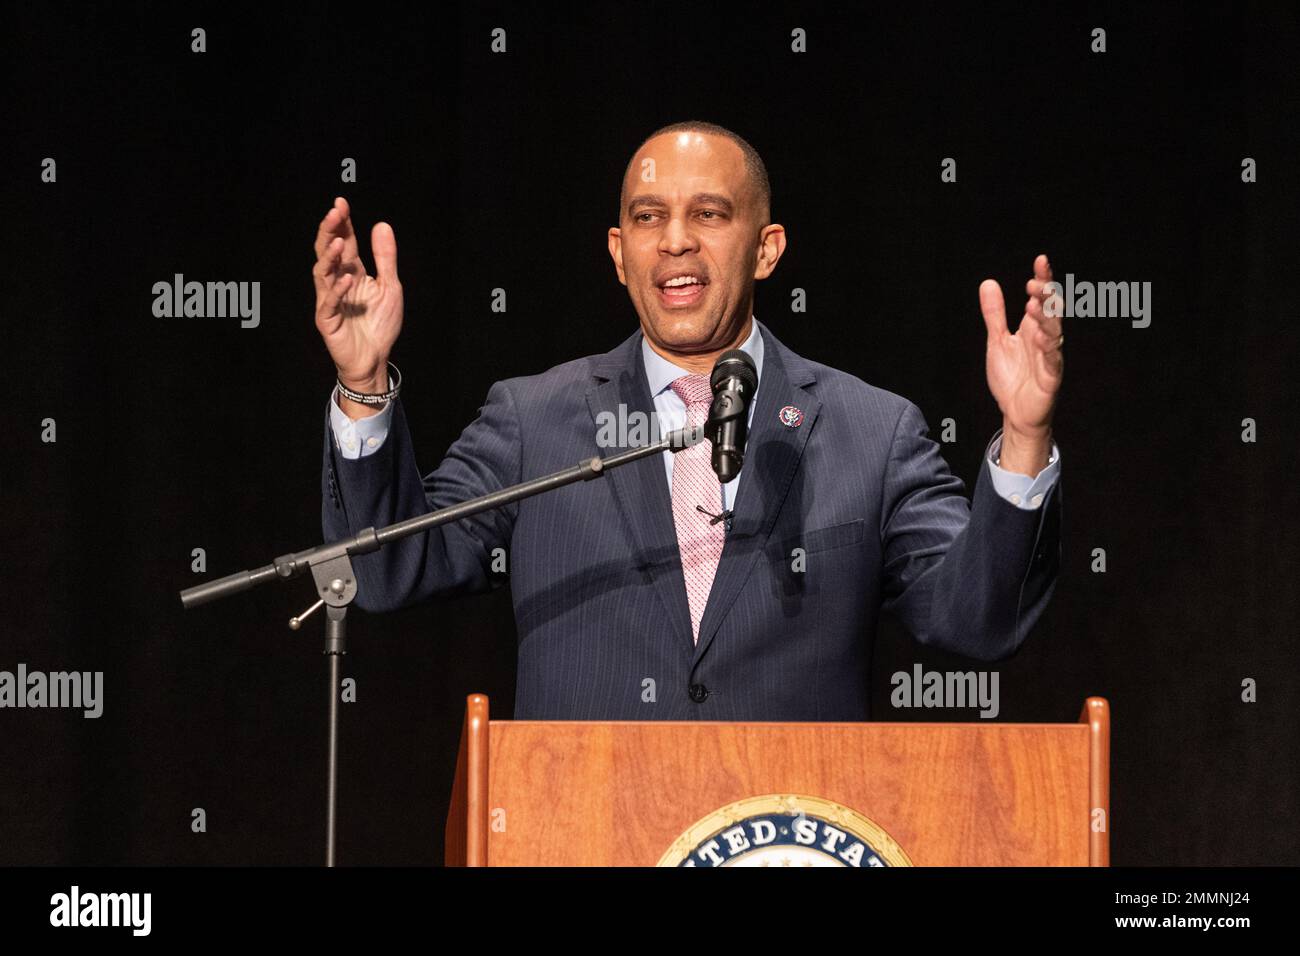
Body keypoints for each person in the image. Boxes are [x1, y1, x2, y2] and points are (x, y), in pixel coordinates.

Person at [312, 121, 1063, 721]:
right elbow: (387, 571)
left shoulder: (873, 432)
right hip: (582, 833)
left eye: (708, 213)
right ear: (619, 253)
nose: (675, 239)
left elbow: (977, 623)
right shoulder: (535, 420)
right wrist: (364, 380)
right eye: (648, 217)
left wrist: (1024, 437)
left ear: (766, 250)